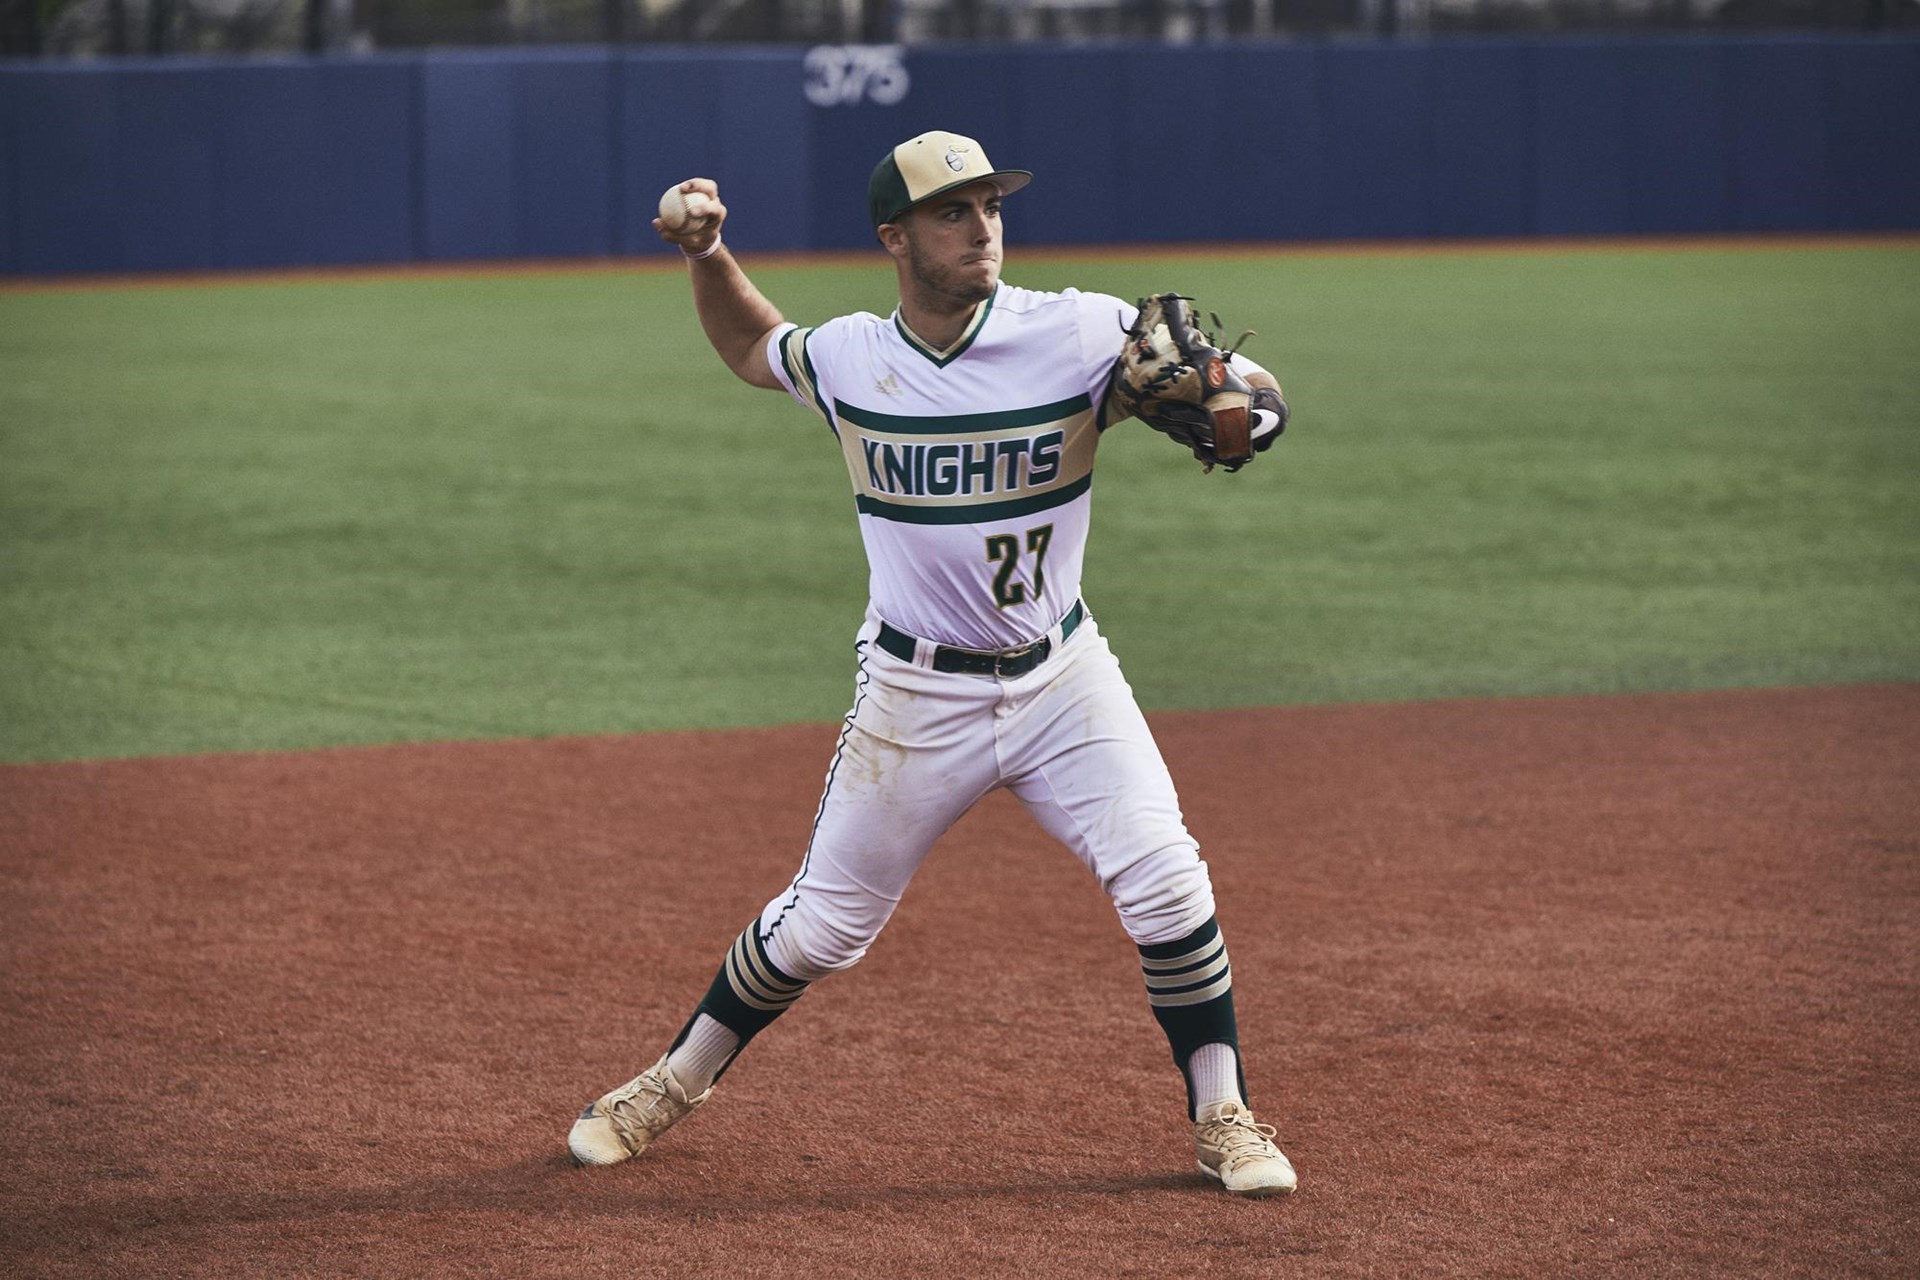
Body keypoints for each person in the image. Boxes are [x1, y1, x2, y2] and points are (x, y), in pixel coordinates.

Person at [567, 130, 1296, 1198]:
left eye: (991, 205)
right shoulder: (854, 357)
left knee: (1166, 876)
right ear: (894, 237)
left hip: (1063, 679)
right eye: (954, 211)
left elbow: (1248, 392)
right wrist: (707, 254)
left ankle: (1223, 1113)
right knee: (823, 926)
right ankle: (669, 1082)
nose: (983, 226)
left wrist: (1244, 408)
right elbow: (752, 349)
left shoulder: (1081, 330)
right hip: (916, 693)